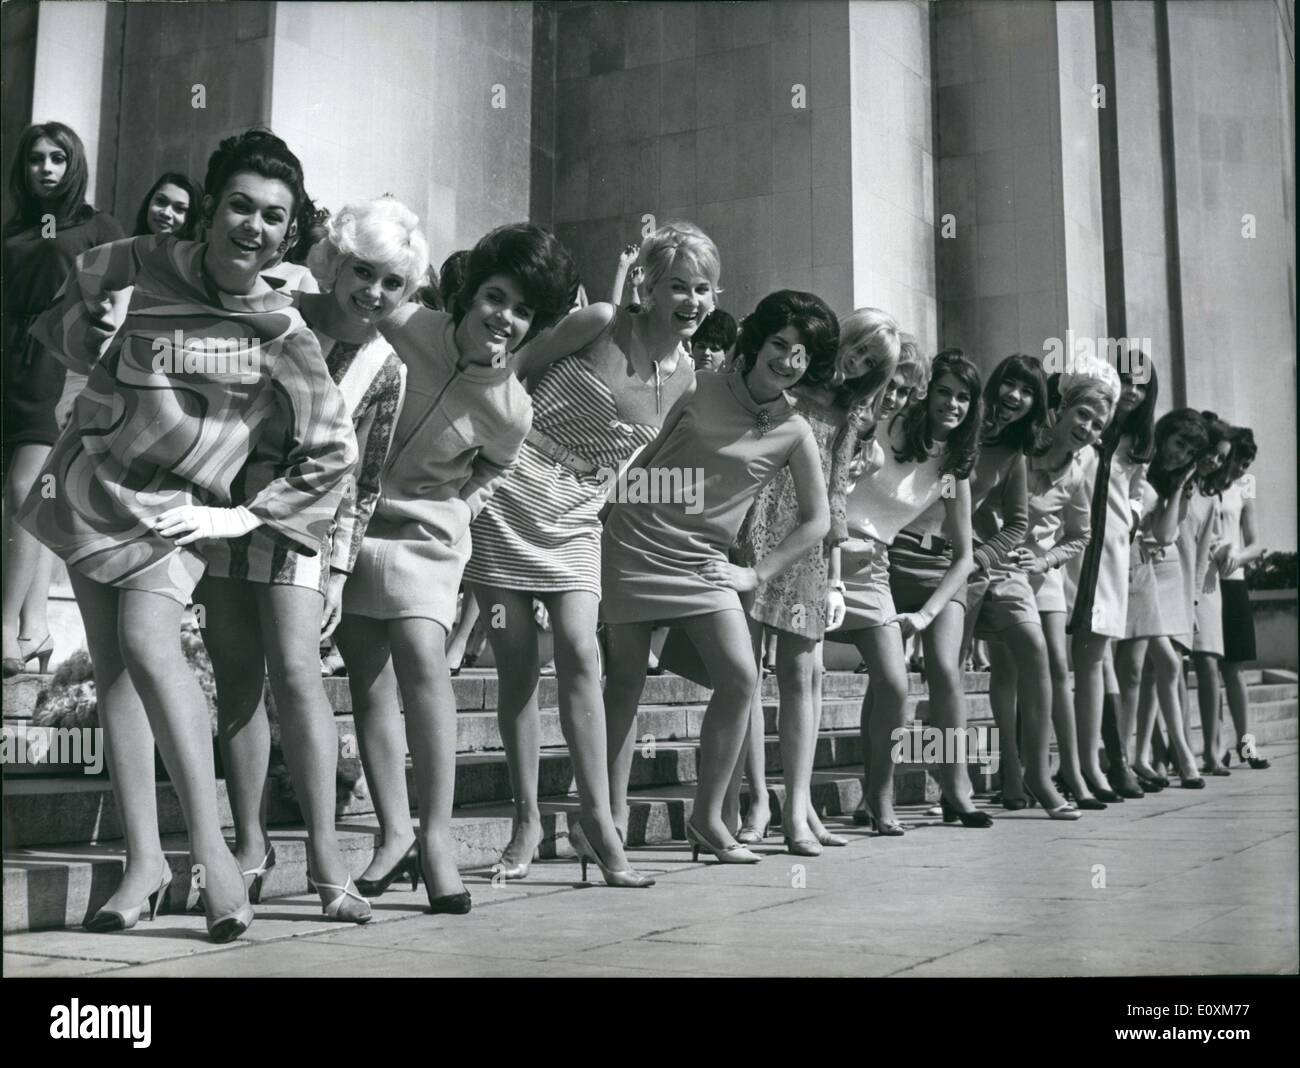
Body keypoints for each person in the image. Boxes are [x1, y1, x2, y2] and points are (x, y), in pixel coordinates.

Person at [21, 128, 357, 941]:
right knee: (113, 670)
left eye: (274, 218)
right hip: (92, 478)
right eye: (240, 206)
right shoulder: (144, 258)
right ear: (209, 212)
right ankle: (145, 863)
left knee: (147, 637)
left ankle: (208, 852)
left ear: (288, 234)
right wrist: (89, 323)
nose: (254, 227)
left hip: (179, 508)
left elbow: (333, 452)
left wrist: (241, 516)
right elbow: (70, 318)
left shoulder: (285, 332)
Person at [198, 196, 430, 921]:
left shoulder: (386, 367)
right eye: (363, 272)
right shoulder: (281, 309)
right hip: (224, 510)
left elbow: (364, 483)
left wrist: (337, 570)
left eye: (392, 283)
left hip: (304, 531)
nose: (374, 293)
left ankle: (328, 862)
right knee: (237, 681)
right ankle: (250, 848)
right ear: (335, 264)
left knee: (298, 676)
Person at [334, 223, 578, 912]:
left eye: (524, 310)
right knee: (368, 678)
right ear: (470, 293)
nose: (505, 318)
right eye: (496, 297)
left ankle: (437, 839)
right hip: (351, 528)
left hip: (427, 543)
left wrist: (458, 511)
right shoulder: (407, 324)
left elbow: (494, 471)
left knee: (421, 655)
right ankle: (392, 834)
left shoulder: (512, 408)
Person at [465, 222, 714, 885]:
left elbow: (641, 462)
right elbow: (514, 369)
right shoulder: (601, 322)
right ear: (648, 287)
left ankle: (598, 824)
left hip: (580, 509)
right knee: (517, 662)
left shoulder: (689, 374)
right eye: (678, 286)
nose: (691, 301)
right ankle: (525, 824)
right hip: (513, 483)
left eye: (703, 289)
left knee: (580, 648)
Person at [602, 290, 836, 863]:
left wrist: (756, 574)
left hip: (705, 563)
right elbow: (644, 455)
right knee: (625, 686)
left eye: (801, 354)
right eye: (779, 344)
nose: (787, 360)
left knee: (738, 677)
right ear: (758, 343)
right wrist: (602, 515)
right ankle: (604, 822)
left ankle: (709, 821)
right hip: (633, 544)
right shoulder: (700, 384)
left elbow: (819, 519)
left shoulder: (796, 430)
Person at [730, 307, 901, 854]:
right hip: (750, 534)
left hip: (806, 544)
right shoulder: (784, 379)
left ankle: (797, 808)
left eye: (871, 362)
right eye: (857, 347)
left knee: (801, 675)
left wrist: (834, 579)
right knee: (745, 676)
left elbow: (836, 497)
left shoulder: (851, 411)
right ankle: (757, 799)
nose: (858, 363)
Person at [2, 122, 125, 678]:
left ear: (73, 164)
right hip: (9, 361)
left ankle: (6, 626)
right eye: (35, 159)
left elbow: (125, 298)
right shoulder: (13, 230)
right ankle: (35, 626)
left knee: (27, 488)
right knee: (30, 494)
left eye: (57, 158)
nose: (46, 168)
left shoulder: (96, 226)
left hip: (57, 363)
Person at [848, 351, 986, 829]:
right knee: (887, 680)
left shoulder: (952, 467)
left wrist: (925, 616)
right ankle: (872, 794)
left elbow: (965, 553)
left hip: (908, 565)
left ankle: (956, 787)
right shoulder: (890, 427)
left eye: (964, 397)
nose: (952, 403)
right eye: (944, 392)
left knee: (942, 671)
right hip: (849, 551)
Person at [987, 374, 1117, 813]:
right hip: (1000, 567)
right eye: (1083, 414)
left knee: (1057, 667)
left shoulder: (1080, 473)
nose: (1088, 428)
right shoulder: (1023, 447)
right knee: (1006, 670)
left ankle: (1072, 772)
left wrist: (1044, 562)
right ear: (1062, 410)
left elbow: (1081, 534)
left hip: (1043, 575)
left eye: (1098, 425)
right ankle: (1011, 774)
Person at [961, 355, 1075, 817]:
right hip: (945, 564)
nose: (1016, 396)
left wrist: (986, 558)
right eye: (1010, 384)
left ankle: (1037, 774)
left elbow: (1018, 523)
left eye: (1028, 392)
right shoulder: (958, 430)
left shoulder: (1014, 456)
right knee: (947, 671)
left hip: (997, 567)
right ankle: (983, 776)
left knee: (1034, 650)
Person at [1065, 358, 1158, 804]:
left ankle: (1095, 763)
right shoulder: (1082, 430)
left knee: (1094, 660)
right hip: (1069, 551)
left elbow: (1140, 494)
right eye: (1125, 381)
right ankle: (1059, 764)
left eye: (1141, 385)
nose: (1132, 392)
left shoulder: (1135, 443)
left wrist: (1131, 522)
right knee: (1055, 659)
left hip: (1109, 556)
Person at [1120, 409, 1208, 789]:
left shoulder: (1177, 482)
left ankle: (1141, 756)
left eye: (1189, 451)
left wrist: (1180, 484)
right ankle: (1170, 755)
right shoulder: (1137, 460)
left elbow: (1168, 534)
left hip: (1160, 573)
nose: (1180, 454)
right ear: (1164, 435)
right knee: (1157, 666)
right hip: (1130, 569)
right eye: (1179, 444)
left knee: (1159, 668)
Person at [1216, 427, 1270, 770]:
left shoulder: (1244, 486)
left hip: (1232, 582)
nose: (1239, 468)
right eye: (1237, 460)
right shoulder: (1204, 481)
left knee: (1233, 669)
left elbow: (1256, 543)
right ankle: (1214, 745)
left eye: (1246, 463)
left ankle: (1246, 743)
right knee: (1205, 668)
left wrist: (1238, 556)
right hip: (1202, 583)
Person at [132, 172, 202, 239]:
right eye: (161, 201)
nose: (166, 213)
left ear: (191, 219)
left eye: (179, 208)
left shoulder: (201, 251)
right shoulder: (124, 249)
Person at [690, 309, 738, 373]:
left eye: (714, 349)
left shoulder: (728, 382)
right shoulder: (679, 378)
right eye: (701, 346)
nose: (706, 352)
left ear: (725, 353)